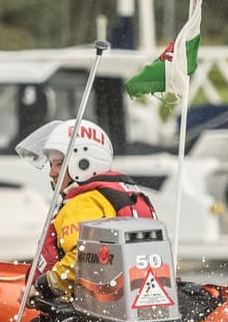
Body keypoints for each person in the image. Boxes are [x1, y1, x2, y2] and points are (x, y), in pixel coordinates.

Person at [20, 118, 157, 302]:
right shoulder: (124, 194)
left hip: (92, 310)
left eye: (58, 164)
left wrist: (44, 286)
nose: (51, 172)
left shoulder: (82, 203)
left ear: (83, 163)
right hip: (135, 297)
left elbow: (83, 259)